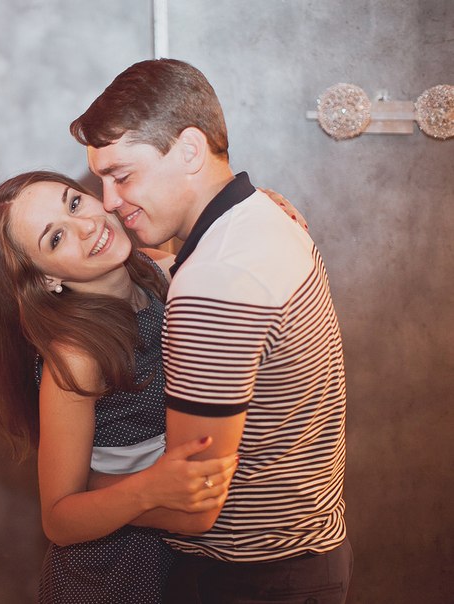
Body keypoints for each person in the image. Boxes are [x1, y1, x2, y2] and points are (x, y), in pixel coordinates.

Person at [70, 58, 352, 603]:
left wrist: (81, 493)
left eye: (121, 176)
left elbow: (192, 506)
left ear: (190, 151)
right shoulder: (260, 218)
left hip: (249, 579)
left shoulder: (215, 281)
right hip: (301, 558)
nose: (109, 201)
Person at [0, 169, 239, 604]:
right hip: (111, 575)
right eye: (55, 238)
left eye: (75, 203)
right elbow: (58, 519)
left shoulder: (157, 269)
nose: (86, 226)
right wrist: (149, 488)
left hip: (191, 555)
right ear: (44, 279)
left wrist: (259, 214)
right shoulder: (77, 357)